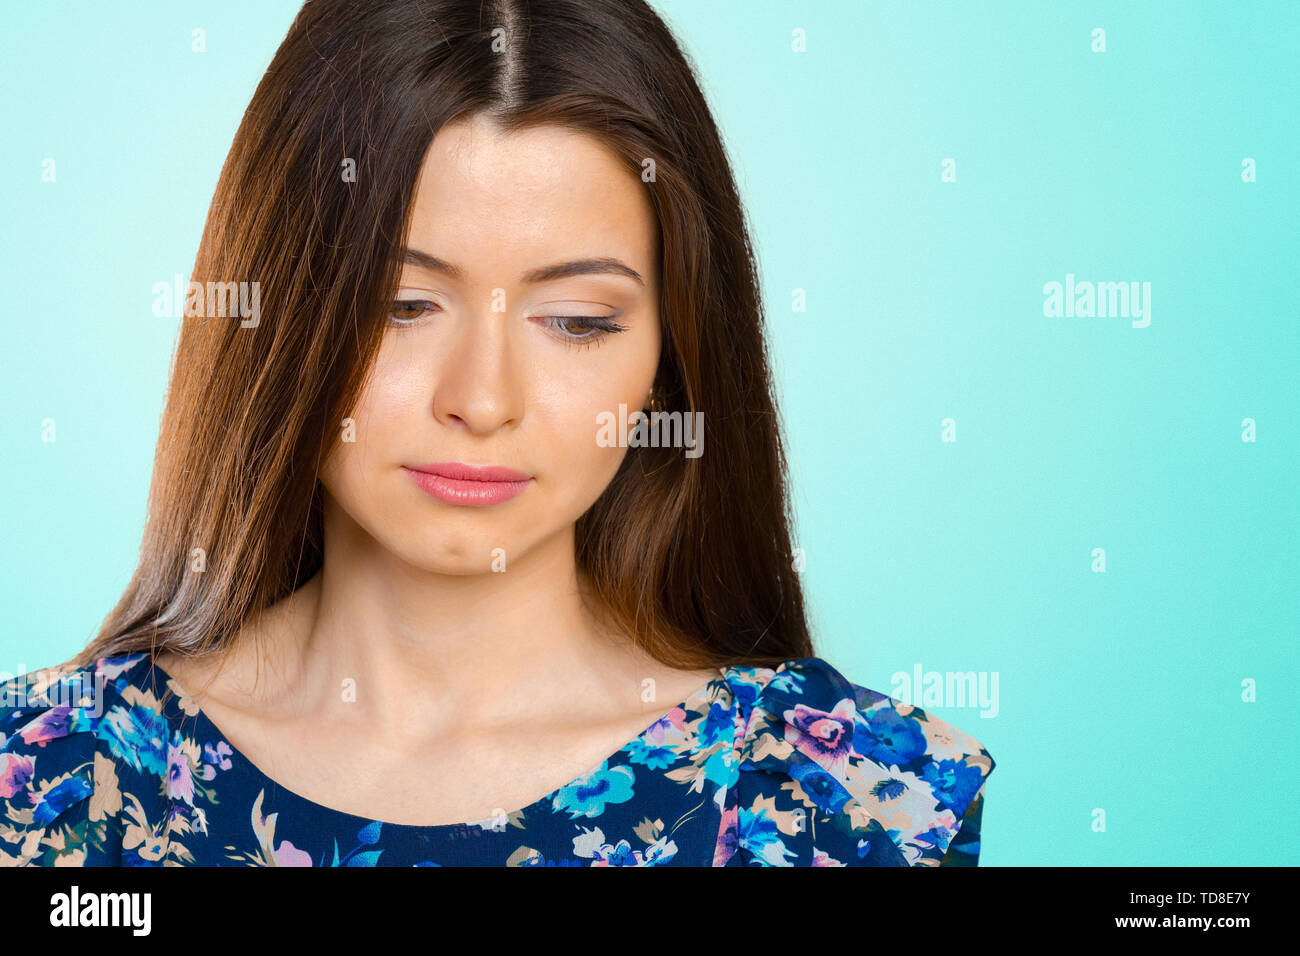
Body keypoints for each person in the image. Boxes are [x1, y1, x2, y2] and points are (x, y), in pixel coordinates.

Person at [0, 0, 993, 866]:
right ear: (281, 317)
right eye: (402, 304)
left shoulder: (847, 803)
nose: (482, 397)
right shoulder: (47, 782)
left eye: (576, 320)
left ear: (671, 357)